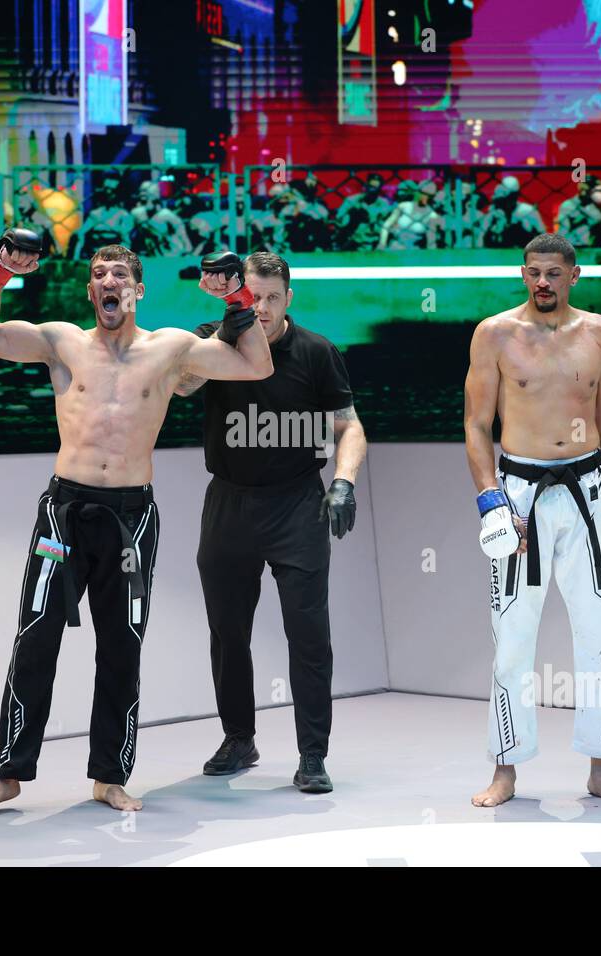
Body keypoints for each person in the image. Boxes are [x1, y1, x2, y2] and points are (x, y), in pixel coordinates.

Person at [0, 235, 274, 819]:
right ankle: (6, 774)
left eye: (119, 276)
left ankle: (109, 775)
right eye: (99, 274)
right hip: (63, 511)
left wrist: (238, 297)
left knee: (121, 646)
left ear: (137, 290)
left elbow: (256, 365)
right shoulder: (62, 342)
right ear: (90, 290)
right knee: (35, 638)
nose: (109, 282)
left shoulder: (172, 348)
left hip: (131, 516)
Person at [464, 233, 601, 808]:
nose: (541, 282)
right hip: (519, 489)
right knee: (512, 640)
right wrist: (491, 501)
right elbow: (476, 425)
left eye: (552, 272)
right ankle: (506, 771)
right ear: (523, 275)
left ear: (574, 275)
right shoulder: (494, 334)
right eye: (532, 272)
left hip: (590, 490)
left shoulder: (599, 332)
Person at [173, 251, 367, 794]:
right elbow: (180, 386)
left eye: (270, 298)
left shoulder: (316, 351)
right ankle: (239, 738)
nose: (259, 308)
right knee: (227, 632)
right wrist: (221, 335)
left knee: (308, 634)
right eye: (251, 296)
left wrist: (344, 480)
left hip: (297, 502)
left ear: (288, 298)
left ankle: (312, 755)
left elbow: (348, 427)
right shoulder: (213, 337)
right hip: (229, 502)